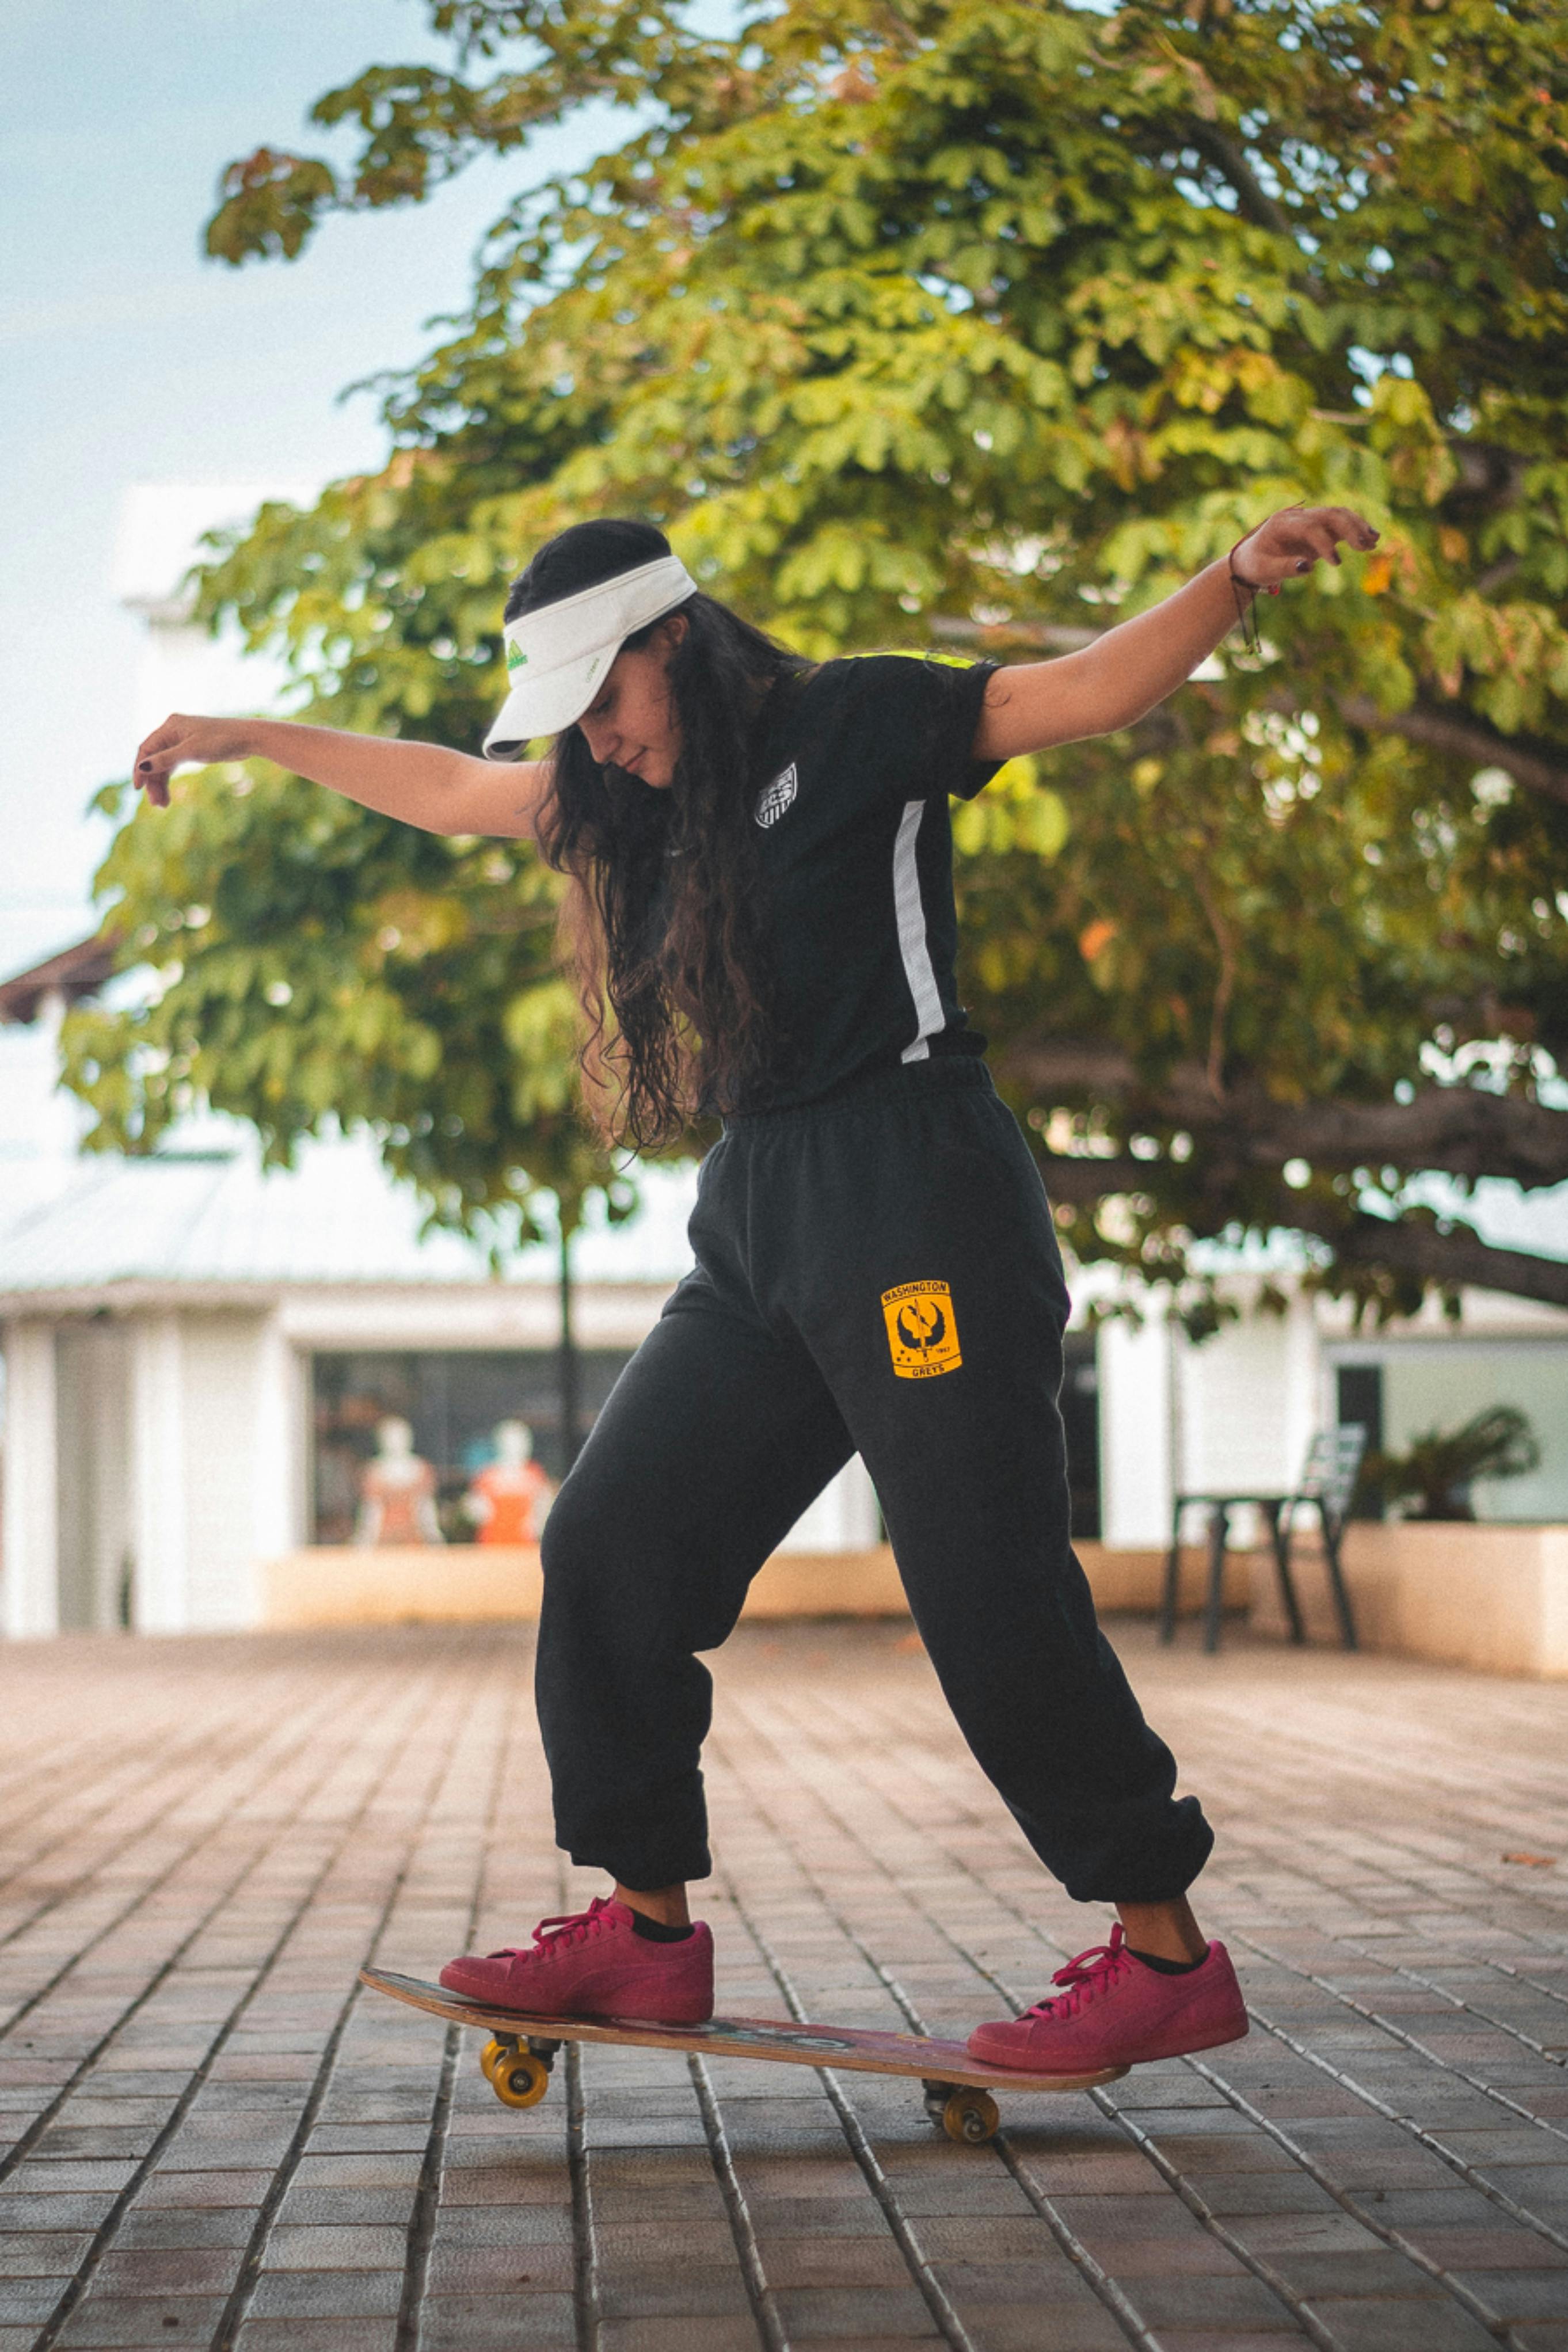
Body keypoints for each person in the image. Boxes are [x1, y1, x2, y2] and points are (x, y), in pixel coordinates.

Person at [135, 500, 1377, 2070]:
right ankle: (646, 1933)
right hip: (758, 1214)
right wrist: (250, 737)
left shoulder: (855, 720)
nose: (597, 738)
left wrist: (1231, 581)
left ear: (677, 640)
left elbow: (1082, 691)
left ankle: (1162, 1952)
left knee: (982, 1578)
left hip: (915, 1192)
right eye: (574, 718)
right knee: (611, 1540)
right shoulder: (629, 798)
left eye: (608, 697)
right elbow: (453, 789)